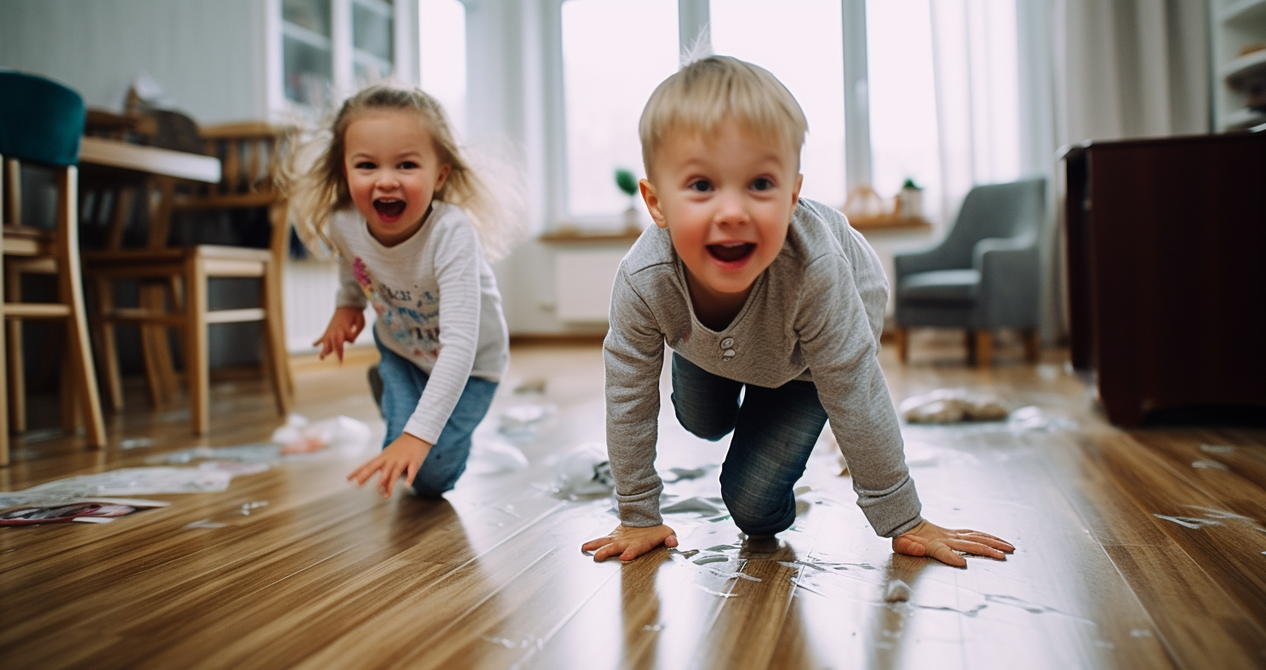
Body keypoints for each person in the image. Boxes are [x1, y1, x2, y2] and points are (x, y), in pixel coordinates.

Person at [581, 56, 1014, 567]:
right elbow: (627, 392)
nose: (734, 212)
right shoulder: (645, 278)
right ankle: (729, 389)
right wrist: (638, 513)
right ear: (656, 204)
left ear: (792, 196)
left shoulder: (816, 269)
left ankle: (779, 441)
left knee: (753, 509)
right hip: (708, 346)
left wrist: (903, 517)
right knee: (701, 421)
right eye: (701, 186)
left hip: (806, 363)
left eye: (760, 184)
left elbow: (854, 388)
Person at [286, 85, 522, 499]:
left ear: (440, 174)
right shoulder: (344, 222)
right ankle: (394, 391)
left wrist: (419, 434)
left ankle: (410, 416)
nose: (386, 180)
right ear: (345, 171)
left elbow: (460, 346)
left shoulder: (451, 234)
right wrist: (348, 305)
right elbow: (353, 261)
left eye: (407, 165)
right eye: (366, 165)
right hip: (402, 354)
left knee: (430, 480)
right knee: (407, 464)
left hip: (471, 368)